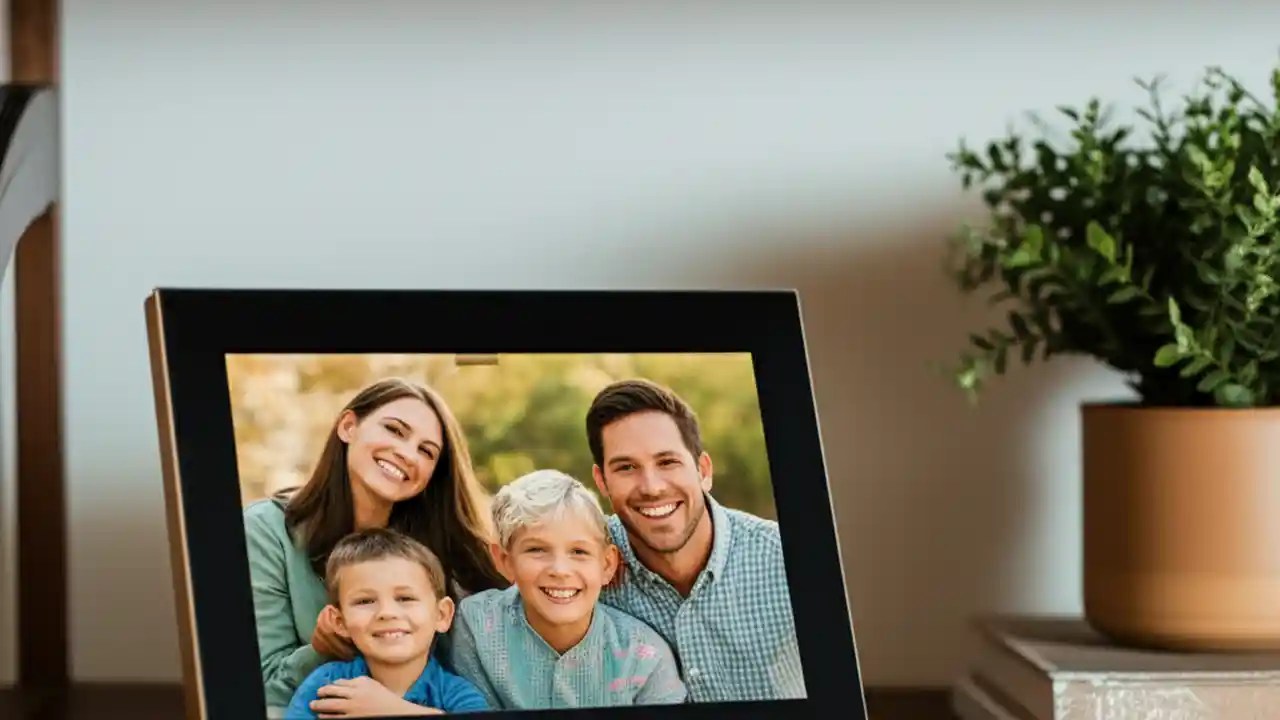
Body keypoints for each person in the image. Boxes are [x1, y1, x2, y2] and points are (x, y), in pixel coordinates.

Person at [243, 377, 510, 711]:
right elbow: (260, 688)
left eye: (426, 451)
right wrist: (322, 651)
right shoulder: (266, 530)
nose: (407, 454)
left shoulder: (435, 548)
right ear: (348, 426)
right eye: (394, 430)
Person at [587, 378, 807, 702]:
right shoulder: (582, 567)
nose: (652, 487)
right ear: (602, 481)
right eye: (626, 467)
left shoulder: (787, 562)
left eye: (667, 462)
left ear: (703, 471)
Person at [445, 469, 687, 710]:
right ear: (504, 561)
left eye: (579, 552)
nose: (560, 570)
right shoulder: (476, 625)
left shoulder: (645, 657)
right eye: (537, 550)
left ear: (607, 564)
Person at [285, 528, 491, 717]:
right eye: (365, 601)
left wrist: (398, 711)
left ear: (442, 615)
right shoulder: (326, 686)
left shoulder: (458, 696)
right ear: (340, 621)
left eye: (405, 598)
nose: (387, 613)